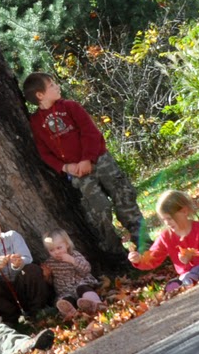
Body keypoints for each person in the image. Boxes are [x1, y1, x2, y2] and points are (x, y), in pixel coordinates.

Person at [23, 72, 145, 253]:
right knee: (99, 209)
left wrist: (87, 159)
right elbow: (44, 152)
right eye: (51, 86)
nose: (57, 86)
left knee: (124, 197)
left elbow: (90, 132)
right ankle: (116, 253)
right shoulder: (35, 122)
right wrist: (65, 167)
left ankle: (144, 244)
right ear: (40, 95)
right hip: (77, 173)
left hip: (100, 162)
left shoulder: (70, 106)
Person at [129, 190, 199, 290]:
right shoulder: (166, 236)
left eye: (169, 218)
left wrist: (193, 257)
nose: (167, 223)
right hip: (188, 272)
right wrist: (140, 260)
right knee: (185, 279)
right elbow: (153, 258)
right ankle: (179, 285)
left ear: (184, 211)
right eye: (163, 220)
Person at [41, 228, 102, 318]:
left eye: (59, 248)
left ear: (67, 245)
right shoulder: (50, 263)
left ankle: (95, 304)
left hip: (80, 283)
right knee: (65, 300)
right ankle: (71, 313)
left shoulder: (74, 255)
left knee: (83, 289)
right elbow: (51, 283)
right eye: (52, 250)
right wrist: (47, 276)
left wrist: (72, 261)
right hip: (65, 291)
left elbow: (86, 269)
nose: (56, 252)